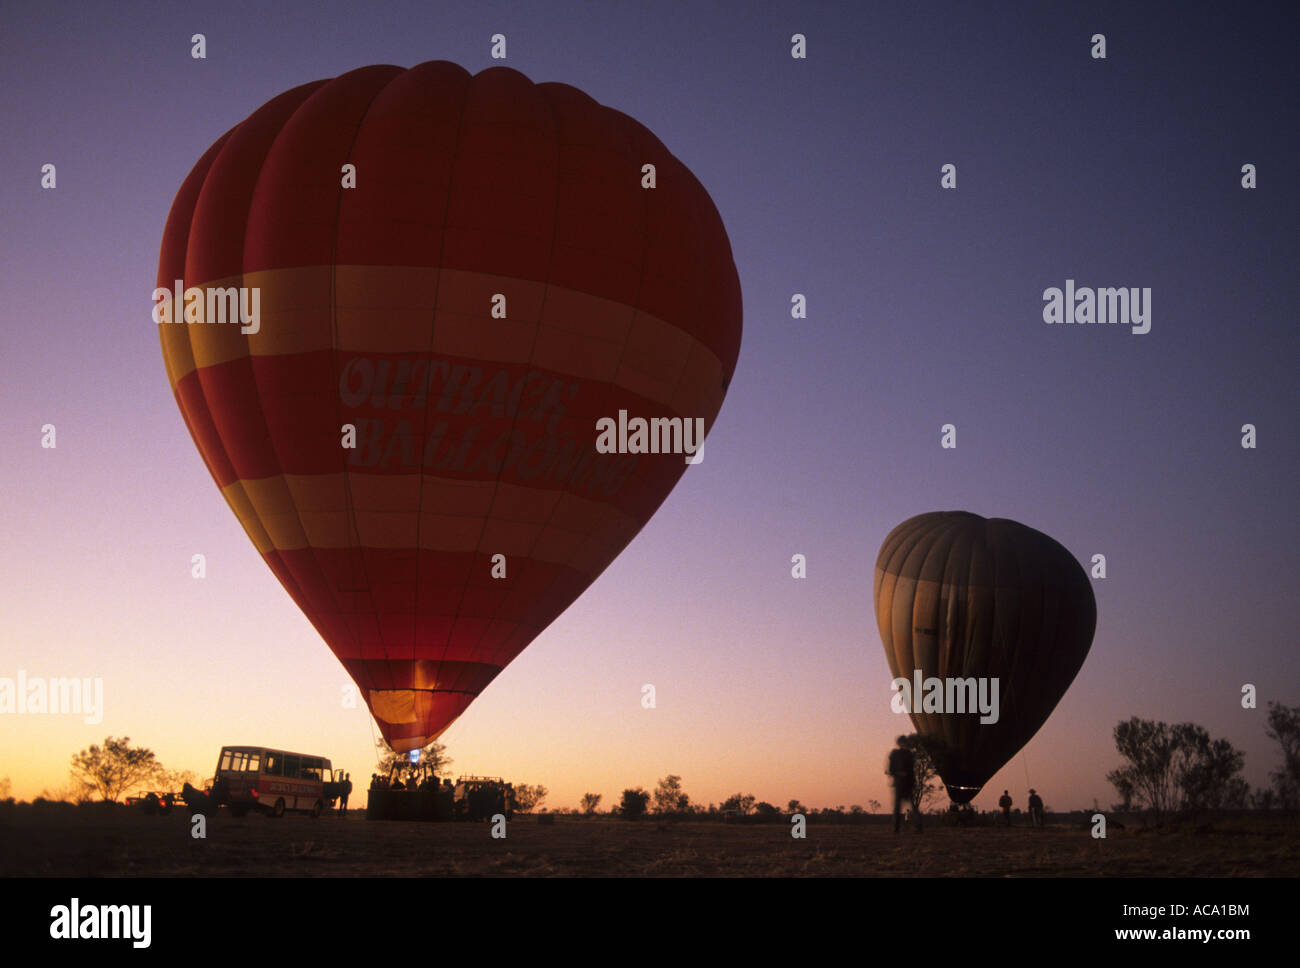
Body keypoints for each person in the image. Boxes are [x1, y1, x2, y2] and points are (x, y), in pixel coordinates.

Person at [886, 736, 921, 833]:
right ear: (899, 743)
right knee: (898, 807)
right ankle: (896, 828)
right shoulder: (895, 754)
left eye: (904, 742)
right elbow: (891, 769)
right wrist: (899, 773)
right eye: (902, 742)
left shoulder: (909, 754)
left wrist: (913, 781)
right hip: (899, 783)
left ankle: (918, 827)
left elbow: (912, 770)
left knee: (913, 806)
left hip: (908, 783)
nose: (903, 744)